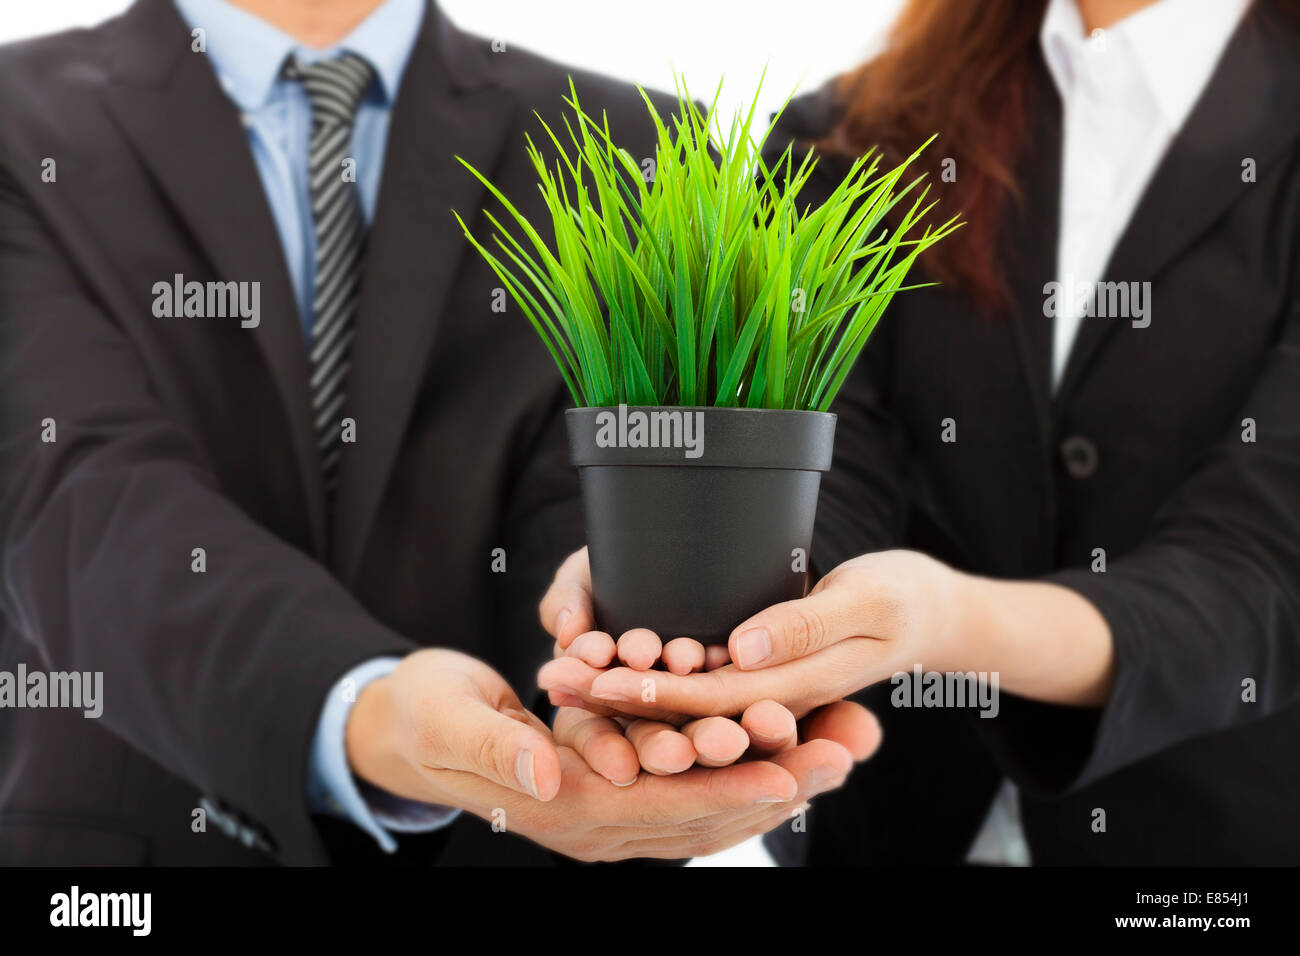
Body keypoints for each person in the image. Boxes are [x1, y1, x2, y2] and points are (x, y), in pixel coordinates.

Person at [0, 0, 875, 866]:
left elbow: (620, 497)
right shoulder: (18, 119)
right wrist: (368, 711)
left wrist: (628, 692)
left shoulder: (637, 144)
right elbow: (71, 491)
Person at [539, 0, 1300, 865]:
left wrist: (948, 621)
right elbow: (831, 467)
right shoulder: (850, 134)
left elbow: (1269, 563)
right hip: (883, 823)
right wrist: (714, 604)